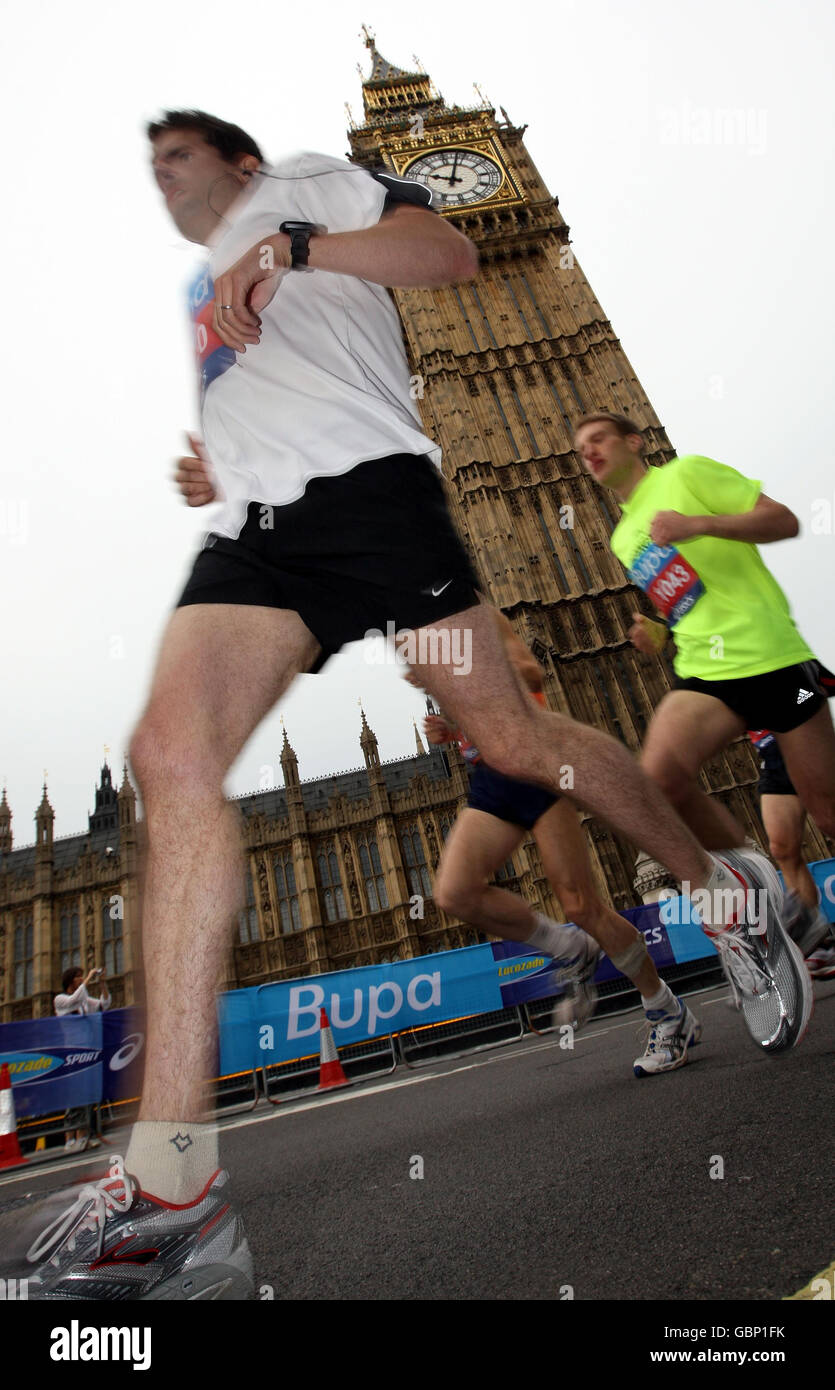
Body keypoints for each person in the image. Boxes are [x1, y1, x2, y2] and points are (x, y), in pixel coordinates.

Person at [18, 113, 793, 1301]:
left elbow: (444, 254)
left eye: (180, 158)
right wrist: (217, 465)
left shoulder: (319, 183)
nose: (162, 180)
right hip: (266, 540)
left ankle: (716, 881)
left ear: (237, 159)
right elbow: (268, 388)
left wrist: (293, 247)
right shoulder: (199, 277)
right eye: (149, 167)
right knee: (171, 756)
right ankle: (176, 1189)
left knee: (519, 735)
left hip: (373, 510)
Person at [575, 410, 833, 1036]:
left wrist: (700, 523)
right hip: (707, 669)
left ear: (634, 442)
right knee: (657, 780)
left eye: (598, 440)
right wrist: (657, 632)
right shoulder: (623, 536)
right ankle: (763, 895)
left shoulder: (688, 473)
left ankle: (801, 917)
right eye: (580, 449)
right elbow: (689, 598)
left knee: (828, 815)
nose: (588, 454)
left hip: (771, 655)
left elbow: (784, 520)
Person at [409, 608, 702, 1076]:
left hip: (539, 765)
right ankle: (568, 947)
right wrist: (453, 728)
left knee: (583, 905)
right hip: (491, 778)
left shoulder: (476, 616)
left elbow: (529, 671)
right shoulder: (418, 633)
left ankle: (666, 1011)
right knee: (454, 892)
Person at [748, 729, 834, 976]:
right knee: (783, 849)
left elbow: (809, 693)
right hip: (772, 755)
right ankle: (819, 945)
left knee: (829, 823)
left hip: (808, 743)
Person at [54, 967, 110, 1153]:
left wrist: (102, 983)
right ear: (70, 980)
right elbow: (74, 999)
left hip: (85, 1052)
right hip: (70, 1054)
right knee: (73, 1098)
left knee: (85, 1096)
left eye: (81, 976)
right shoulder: (60, 1000)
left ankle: (84, 1136)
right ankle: (69, 1139)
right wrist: (88, 977)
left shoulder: (84, 1001)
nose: (80, 979)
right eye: (77, 976)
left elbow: (104, 1004)